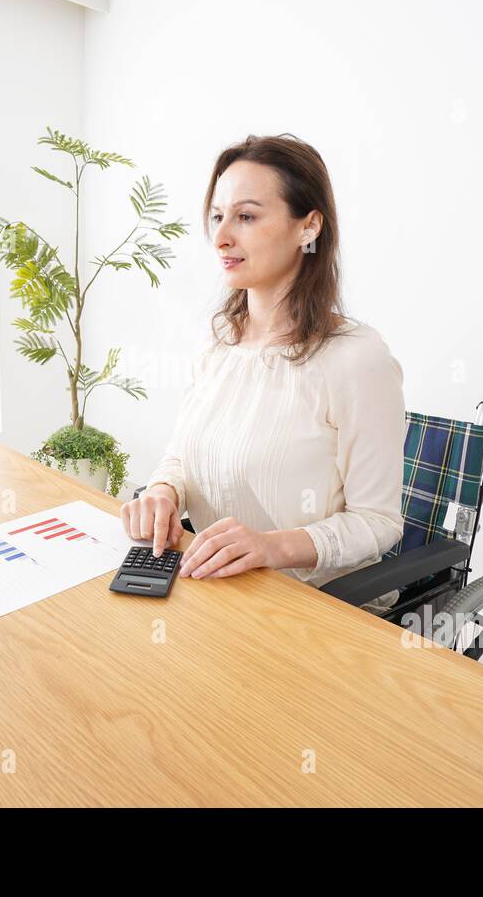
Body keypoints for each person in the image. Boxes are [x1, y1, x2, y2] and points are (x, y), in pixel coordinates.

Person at [120, 133, 407, 615]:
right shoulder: (217, 342)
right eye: (217, 216)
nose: (221, 237)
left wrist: (271, 546)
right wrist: (163, 491)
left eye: (246, 216)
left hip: (321, 608)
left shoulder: (357, 359)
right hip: (221, 594)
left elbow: (377, 523)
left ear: (308, 226)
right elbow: (181, 455)